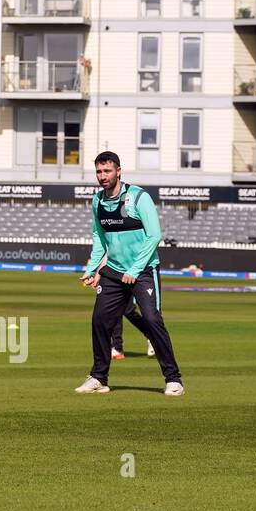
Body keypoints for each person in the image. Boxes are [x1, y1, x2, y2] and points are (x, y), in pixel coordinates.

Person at [75, 151, 184, 396]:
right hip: (113, 271)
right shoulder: (97, 201)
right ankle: (98, 378)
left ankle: (173, 379)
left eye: (107, 171)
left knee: (152, 319)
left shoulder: (138, 197)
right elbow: (99, 238)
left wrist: (134, 270)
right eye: (99, 172)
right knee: (100, 321)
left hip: (144, 270)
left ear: (118, 171)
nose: (102, 176)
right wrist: (92, 268)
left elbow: (154, 235)